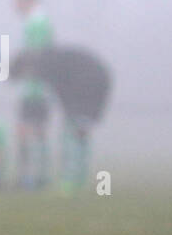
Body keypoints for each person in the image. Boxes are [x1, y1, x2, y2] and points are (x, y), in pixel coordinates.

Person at [9, 46, 111, 195]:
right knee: (80, 133)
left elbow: (62, 89)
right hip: (94, 84)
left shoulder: (47, 65)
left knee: (73, 135)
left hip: (87, 86)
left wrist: (71, 112)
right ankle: (78, 180)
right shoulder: (51, 59)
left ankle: (72, 181)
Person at [11, 0, 54, 189]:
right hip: (39, 86)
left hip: (35, 88)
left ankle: (29, 178)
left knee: (27, 131)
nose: (15, 5)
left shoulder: (36, 22)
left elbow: (36, 55)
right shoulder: (39, 21)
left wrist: (16, 70)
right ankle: (40, 177)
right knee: (38, 132)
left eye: (17, 0)